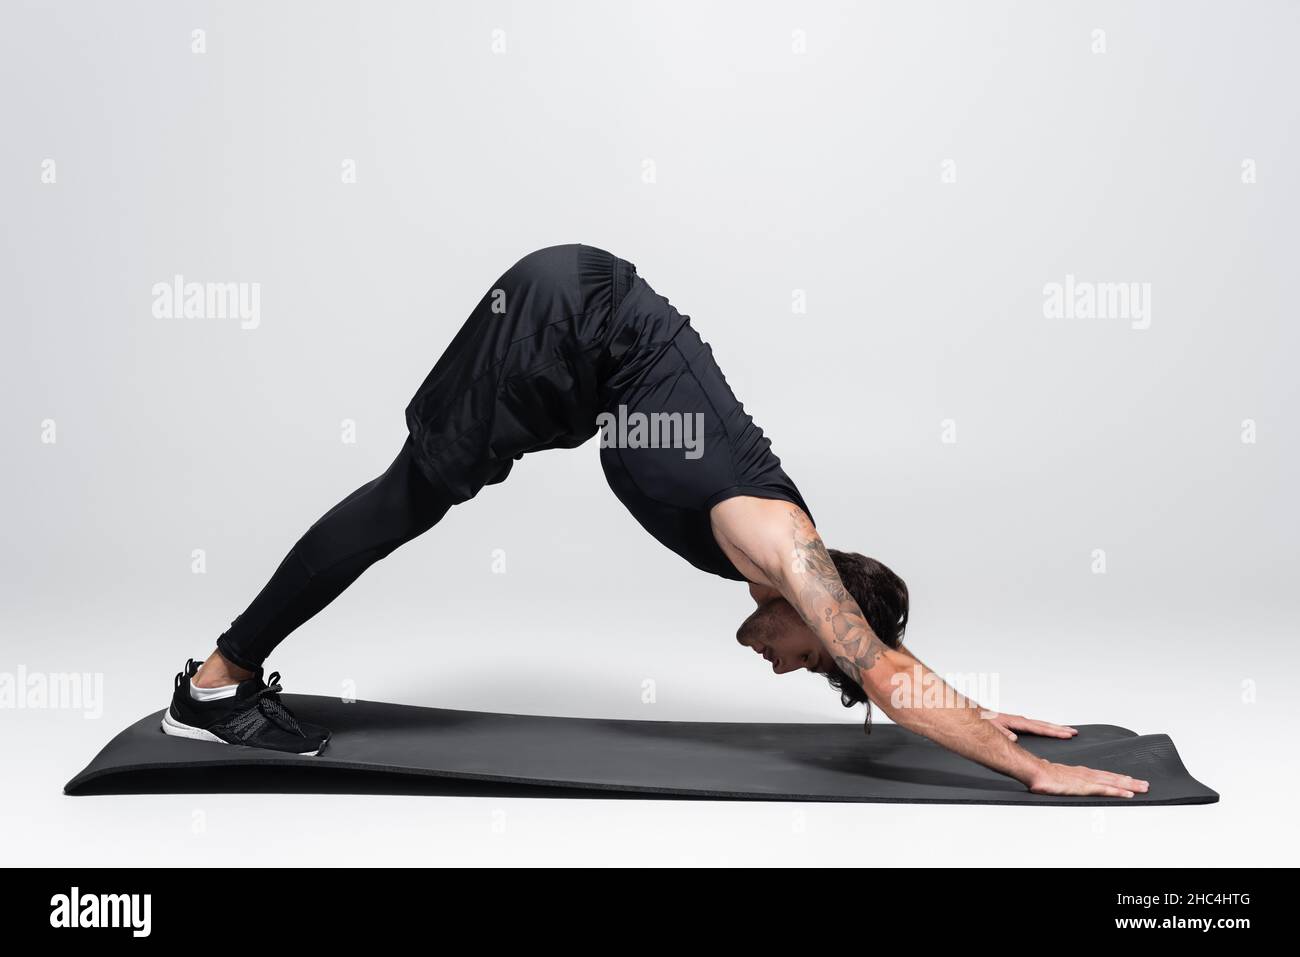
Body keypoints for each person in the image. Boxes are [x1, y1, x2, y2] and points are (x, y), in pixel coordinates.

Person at [162, 243, 1149, 799]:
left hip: (581, 353)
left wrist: (971, 710)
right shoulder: (781, 546)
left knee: (416, 491)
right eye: (808, 658)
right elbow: (881, 669)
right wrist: (1026, 771)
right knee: (408, 498)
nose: (780, 663)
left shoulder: (787, 561)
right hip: (568, 322)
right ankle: (215, 686)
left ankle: (225, 674)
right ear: (824, 605)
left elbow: (878, 657)